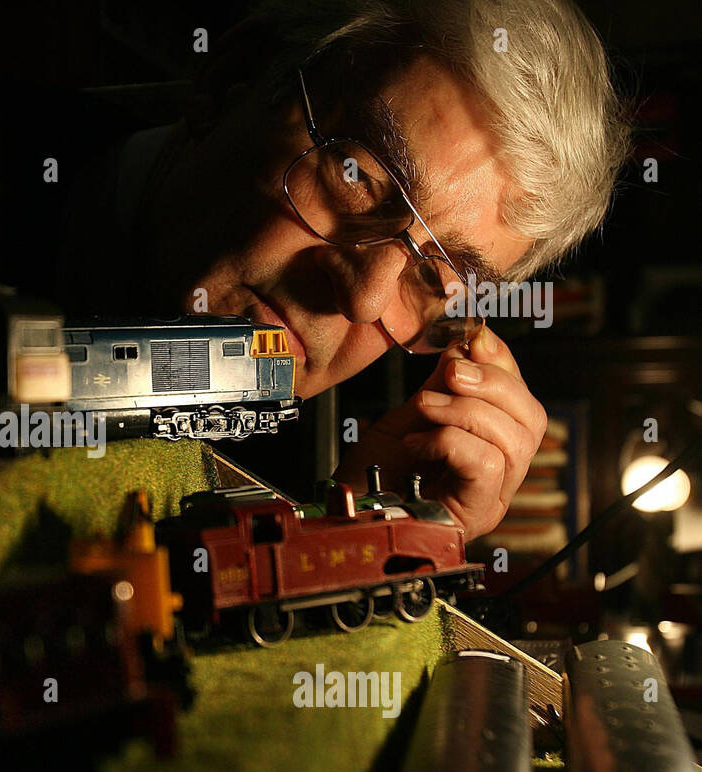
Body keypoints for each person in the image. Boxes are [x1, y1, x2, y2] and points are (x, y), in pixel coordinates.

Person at [56, 0, 630, 542]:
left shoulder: (316, 482)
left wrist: (366, 539)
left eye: (437, 278)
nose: (365, 299)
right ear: (233, 80)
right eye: (361, 176)